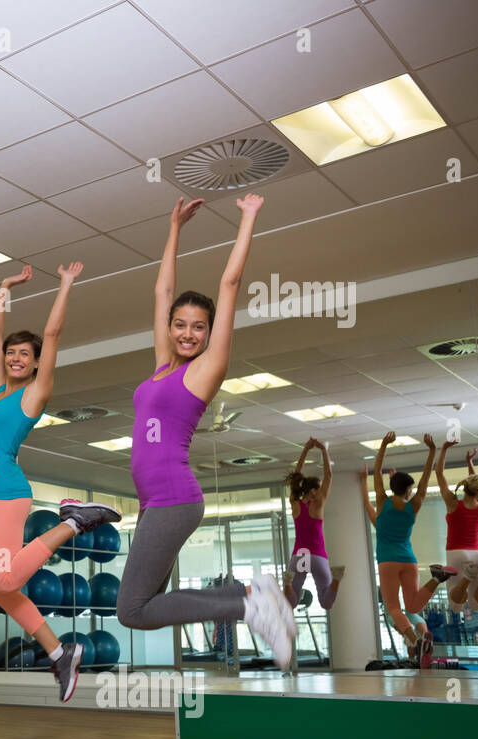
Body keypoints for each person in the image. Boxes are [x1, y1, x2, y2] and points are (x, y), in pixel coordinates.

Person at [115, 194, 298, 670]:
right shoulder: (161, 368)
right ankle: (252, 596)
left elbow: (230, 281)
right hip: (159, 502)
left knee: (131, 610)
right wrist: (174, 226)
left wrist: (249, 217)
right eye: (180, 325)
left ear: (210, 332)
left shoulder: (205, 370)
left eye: (199, 327)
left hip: (175, 498)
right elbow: (162, 291)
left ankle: (249, 606)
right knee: (147, 603)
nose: (187, 334)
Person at [0, 262, 122, 702]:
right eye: (11, 352)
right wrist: (2, 288)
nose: (15, 357)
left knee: (3, 583)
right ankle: (60, 653)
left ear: (36, 363)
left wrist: (66, 285)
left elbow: (53, 336)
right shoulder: (0, 388)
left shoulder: (33, 393)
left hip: (8, 493)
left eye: (25, 354)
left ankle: (74, 522)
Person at [372, 432, 457, 666]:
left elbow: (377, 471)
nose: (412, 491)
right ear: (407, 489)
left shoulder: (382, 500)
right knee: (412, 606)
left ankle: (415, 640)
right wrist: (431, 451)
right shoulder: (414, 505)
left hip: (387, 561)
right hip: (408, 559)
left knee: (393, 607)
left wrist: (383, 445)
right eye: (410, 488)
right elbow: (425, 478)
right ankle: (436, 578)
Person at [435, 442, 478, 618]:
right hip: (477, 554)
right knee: (475, 603)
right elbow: (475, 484)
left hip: (457, 554)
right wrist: (469, 463)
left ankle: (469, 576)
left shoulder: (453, 504)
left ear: (466, 486)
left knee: (457, 606)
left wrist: (444, 448)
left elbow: (439, 473)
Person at [282, 437, 344, 610]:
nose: (323, 488)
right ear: (313, 491)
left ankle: (287, 583)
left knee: (291, 602)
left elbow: (296, 477)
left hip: (299, 555)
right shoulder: (318, 504)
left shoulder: (295, 503)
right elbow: (329, 475)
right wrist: (324, 450)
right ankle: (337, 578)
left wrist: (305, 450)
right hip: (317, 555)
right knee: (326, 602)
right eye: (320, 487)